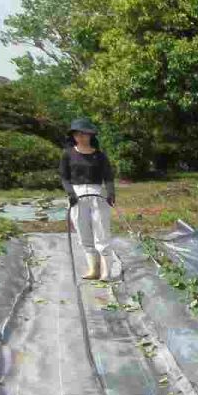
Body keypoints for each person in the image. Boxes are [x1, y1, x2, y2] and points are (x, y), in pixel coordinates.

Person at [59, 117, 116, 281]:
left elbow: (108, 177)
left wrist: (111, 193)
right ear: (73, 136)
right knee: (83, 232)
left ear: (91, 135)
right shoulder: (68, 154)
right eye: (77, 134)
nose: (81, 137)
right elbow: (64, 177)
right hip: (77, 196)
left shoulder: (100, 156)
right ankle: (93, 269)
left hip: (97, 194)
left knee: (101, 231)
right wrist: (70, 193)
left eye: (84, 134)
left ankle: (106, 272)